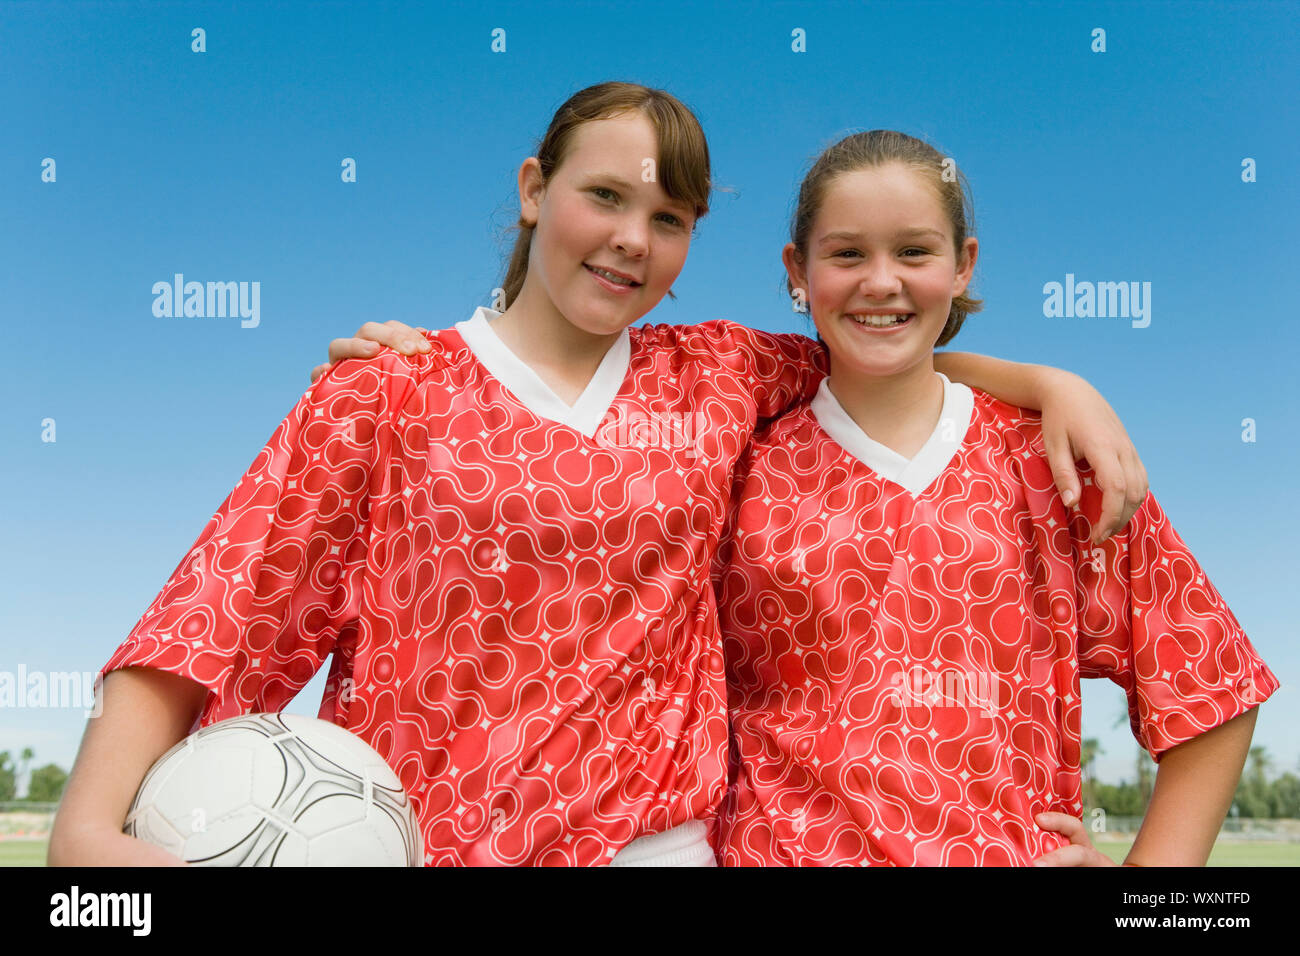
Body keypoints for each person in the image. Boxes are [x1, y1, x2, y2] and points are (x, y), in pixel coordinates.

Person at [49, 82, 1146, 868]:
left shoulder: (716, 374)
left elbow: (883, 338)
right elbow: (219, 607)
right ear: (534, 188)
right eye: (605, 198)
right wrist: (87, 839)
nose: (632, 239)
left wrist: (1053, 381)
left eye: (668, 219)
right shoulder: (387, 392)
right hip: (420, 843)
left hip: (653, 848)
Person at [709, 129, 1277, 866]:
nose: (881, 281)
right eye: (847, 254)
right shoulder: (736, 470)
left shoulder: (1053, 463)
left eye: (914, 252)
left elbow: (1213, 684)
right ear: (798, 270)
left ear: (962, 264)